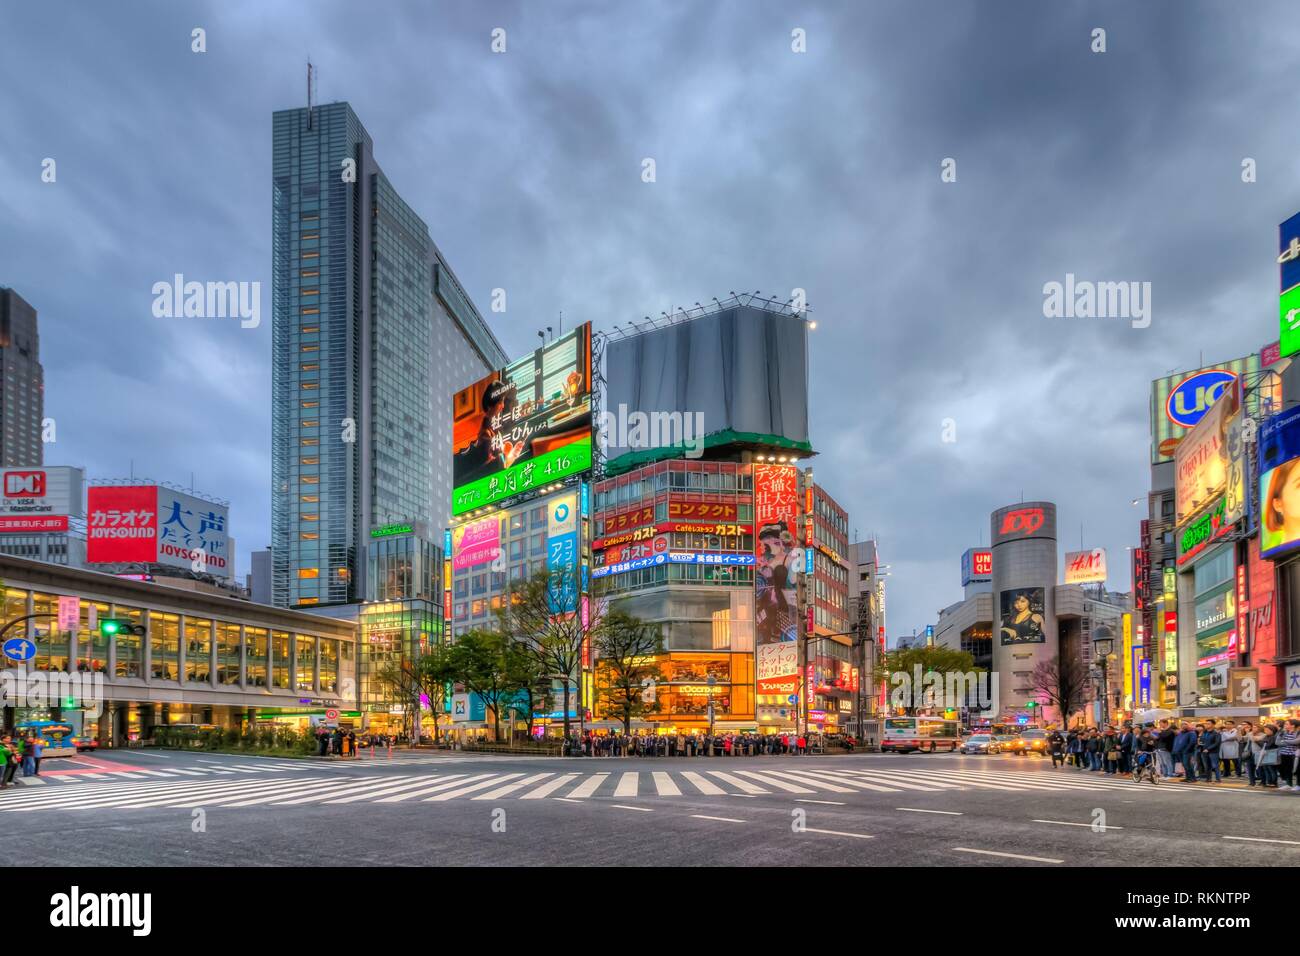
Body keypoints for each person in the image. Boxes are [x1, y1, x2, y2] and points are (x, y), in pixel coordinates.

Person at [1278, 719, 1300, 790]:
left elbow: (1296, 741)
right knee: (1287, 769)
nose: (1285, 725)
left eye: (1287, 724)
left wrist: (1284, 741)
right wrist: (1282, 737)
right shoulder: (1284, 732)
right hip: (1284, 753)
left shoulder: (1298, 732)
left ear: (1293, 725)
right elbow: (1277, 742)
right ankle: (1288, 784)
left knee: (1297, 770)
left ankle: (1298, 785)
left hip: (1294, 754)